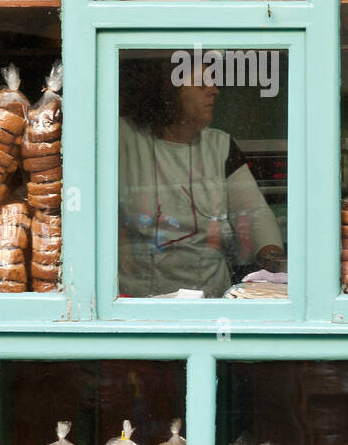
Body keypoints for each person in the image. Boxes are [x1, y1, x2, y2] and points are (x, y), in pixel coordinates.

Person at [118, 56, 285, 298]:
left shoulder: (220, 145)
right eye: (201, 84)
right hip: (139, 300)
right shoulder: (124, 137)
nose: (215, 91)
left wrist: (275, 264)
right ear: (169, 91)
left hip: (208, 299)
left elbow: (255, 213)